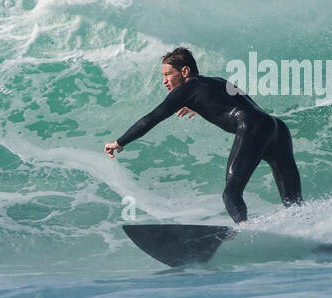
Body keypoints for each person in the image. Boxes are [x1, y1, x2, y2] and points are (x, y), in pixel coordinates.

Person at [105, 47, 303, 224]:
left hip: (252, 126)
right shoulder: (217, 81)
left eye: (168, 74)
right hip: (277, 127)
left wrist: (120, 142)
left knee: (230, 193)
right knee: (293, 201)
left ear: (185, 71)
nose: (164, 81)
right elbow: (240, 104)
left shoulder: (186, 89)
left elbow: (152, 118)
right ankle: (308, 228)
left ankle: (246, 231)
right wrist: (199, 107)